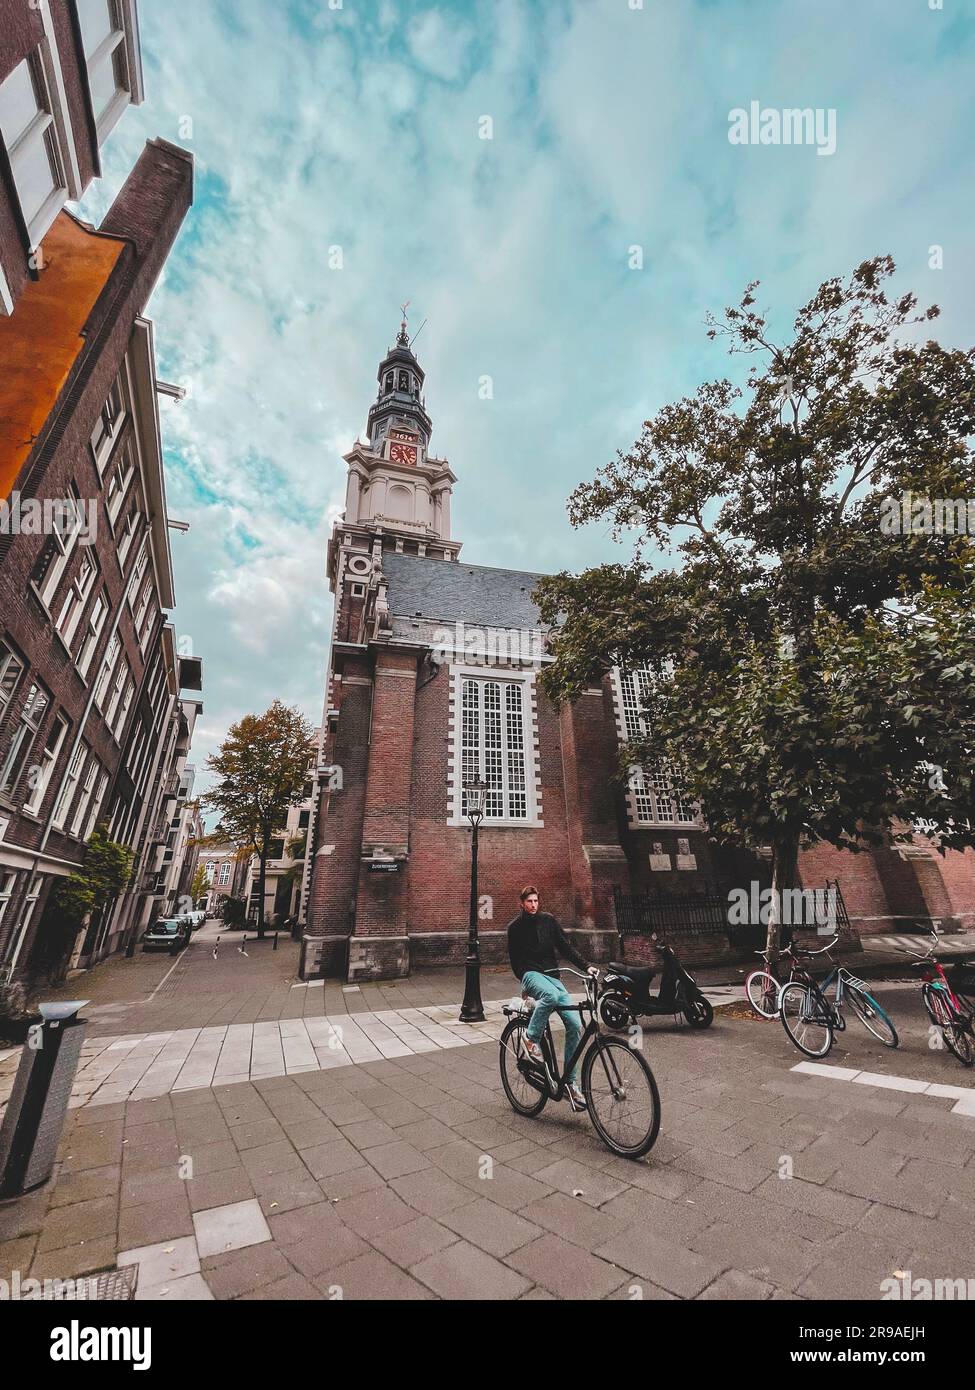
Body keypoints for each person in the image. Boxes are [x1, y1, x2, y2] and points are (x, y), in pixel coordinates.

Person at [506, 885, 596, 1111]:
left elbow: (565, 949)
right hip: (530, 974)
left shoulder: (549, 921)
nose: (533, 905)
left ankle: (569, 1084)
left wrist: (587, 967)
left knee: (575, 1025)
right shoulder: (515, 928)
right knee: (550, 996)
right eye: (529, 902)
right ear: (522, 903)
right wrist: (525, 983)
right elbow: (515, 960)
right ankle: (530, 1038)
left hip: (552, 977)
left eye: (536, 901)